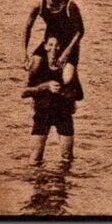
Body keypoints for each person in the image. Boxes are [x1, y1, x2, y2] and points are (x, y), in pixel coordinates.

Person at [24, 34, 80, 167]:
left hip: (63, 114)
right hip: (43, 113)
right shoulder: (39, 66)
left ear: (61, 48)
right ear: (45, 46)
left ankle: (64, 185)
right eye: (50, 45)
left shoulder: (67, 68)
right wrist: (44, 86)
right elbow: (23, 92)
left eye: (56, 45)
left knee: (67, 159)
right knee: (35, 159)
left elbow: (78, 94)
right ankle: (37, 185)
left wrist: (66, 93)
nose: (53, 48)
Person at [23, 0, 84, 86]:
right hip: (50, 43)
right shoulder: (40, 5)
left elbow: (80, 31)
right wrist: (25, 53)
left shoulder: (70, 6)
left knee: (68, 80)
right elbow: (27, 27)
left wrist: (66, 53)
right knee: (32, 70)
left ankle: (73, 78)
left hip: (68, 45)